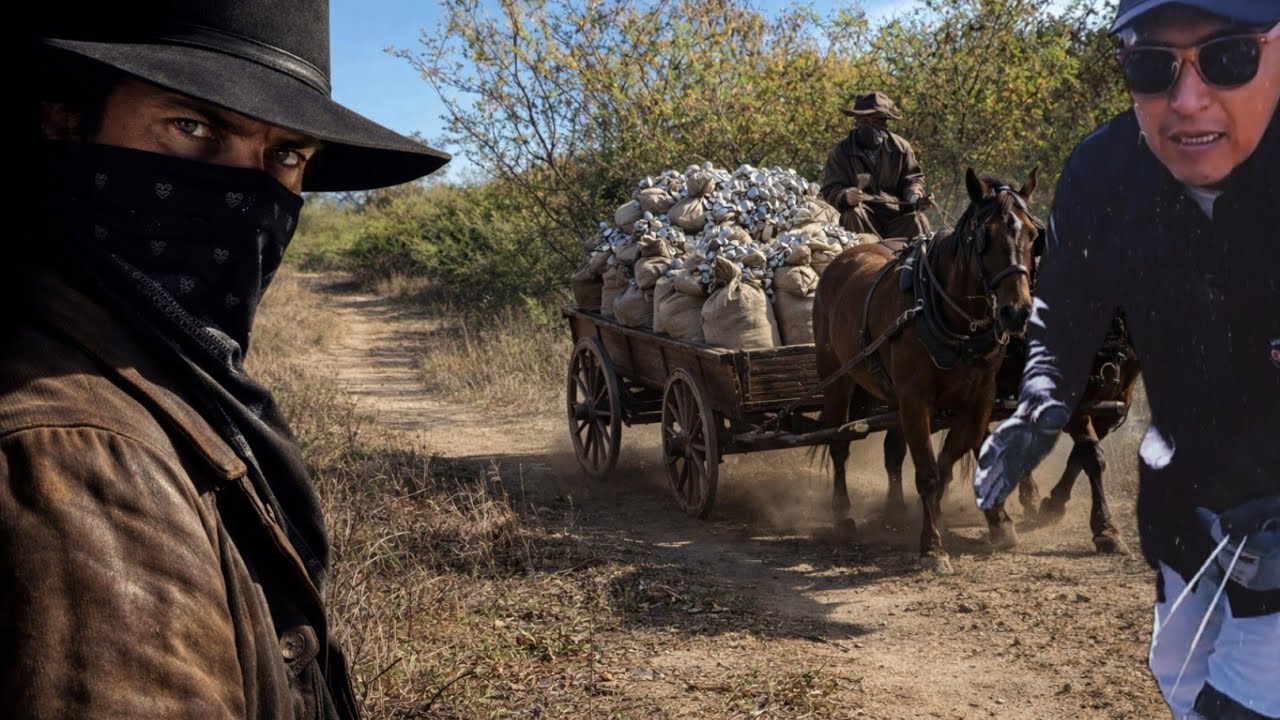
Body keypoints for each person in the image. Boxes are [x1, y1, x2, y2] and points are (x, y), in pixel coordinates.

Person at [2, 1, 449, 718]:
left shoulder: (166, 377)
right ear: (62, 118)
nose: (249, 192)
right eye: (193, 127)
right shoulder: (80, 451)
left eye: (287, 155)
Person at [973, 1, 1279, 718]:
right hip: (1186, 511)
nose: (1188, 99)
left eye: (1228, 58)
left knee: (1244, 696)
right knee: (1178, 670)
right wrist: (1042, 398)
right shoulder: (1101, 171)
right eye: (1153, 68)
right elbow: (1064, 311)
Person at [820, 90, 935, 240]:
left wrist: (915, 197)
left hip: (896, 215)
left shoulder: (901, 148)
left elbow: (913, 180)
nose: (869, 126)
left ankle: (914, 262)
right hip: (863, 215)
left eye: (875, 121)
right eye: (864, 122)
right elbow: (830, 189)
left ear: (884, 123)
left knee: (918, 221)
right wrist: (846, 196)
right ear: (856, 121)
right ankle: (860, 260)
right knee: (853, 215)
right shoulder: (841, 151)